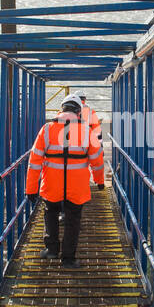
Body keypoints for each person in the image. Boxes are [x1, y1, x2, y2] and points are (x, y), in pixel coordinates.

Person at [26, 94, 105, 268]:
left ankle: (52, 250)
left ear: (61, 109)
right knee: (73, 220)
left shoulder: (46, 129)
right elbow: (97, 161)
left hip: (52, 184)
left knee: (51, 213)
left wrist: (31, 188)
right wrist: (100, 182)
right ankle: (68, 259)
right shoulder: (87, 132)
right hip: (77, 187)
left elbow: (34, 162)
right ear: (78, 112)